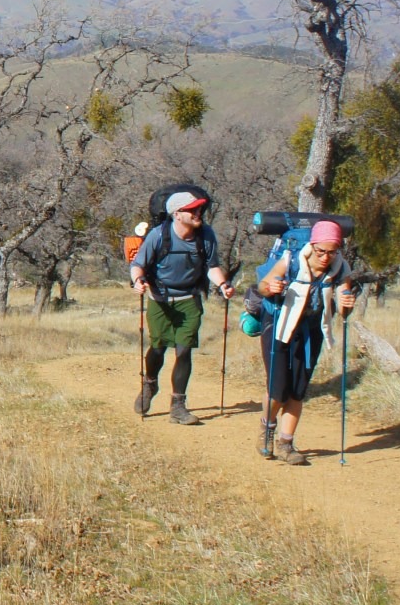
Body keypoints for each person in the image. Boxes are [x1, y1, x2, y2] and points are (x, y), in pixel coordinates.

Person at [255, 219, 358, 465]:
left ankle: (286, 443)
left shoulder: (341, 269)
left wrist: (346, 306)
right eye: (321, 251)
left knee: (297, 391)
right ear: (312, 245)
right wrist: (272, 287)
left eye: (332, 252)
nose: (325, 257)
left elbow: (342, 310)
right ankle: (266, 427)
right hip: (280, 326)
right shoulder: (290, 260)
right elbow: (262, 287)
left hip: (312, 331)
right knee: (278, 389)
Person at [128, 192, 234, 424]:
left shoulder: (206, 236)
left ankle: (178, 406)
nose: (198, 214)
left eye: (199, 210)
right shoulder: (158, 236)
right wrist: (138, 281)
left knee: (184, 350)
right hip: (160, 300)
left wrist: (223, 284)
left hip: (190, 299)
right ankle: (150, 383)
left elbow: (211, 266)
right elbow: (138, 265)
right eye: (192, 210)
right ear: (176, 214)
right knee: (158, 347)